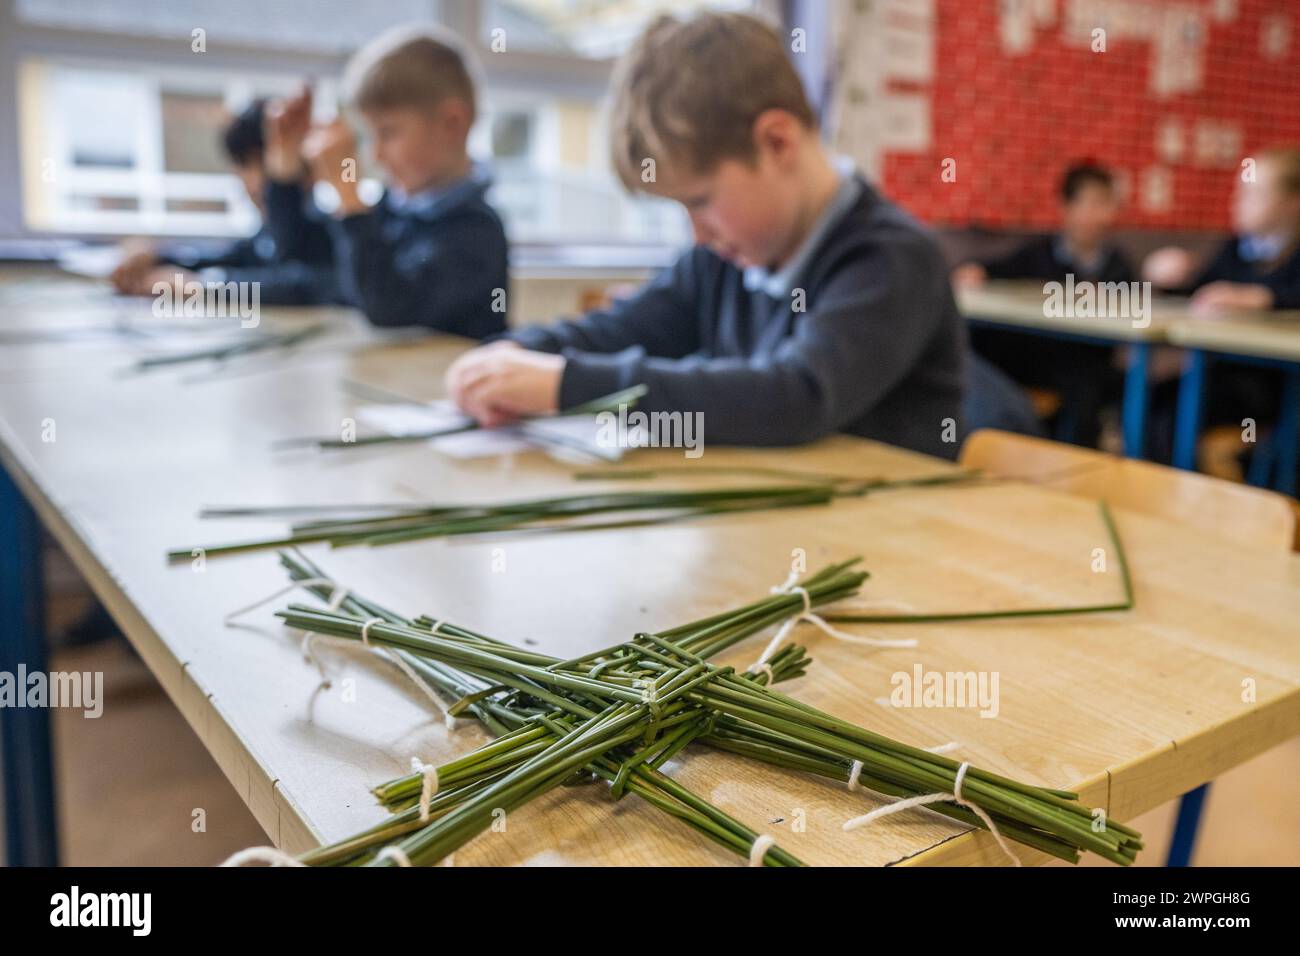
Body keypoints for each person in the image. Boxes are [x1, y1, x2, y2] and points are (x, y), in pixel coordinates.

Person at [445, 11, 964, 457]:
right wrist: (509, 356)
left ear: (777, 142)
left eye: (700, 201)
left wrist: (566, 385)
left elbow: (795, 398)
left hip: (890, 550)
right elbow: (618, 330)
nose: (696, 234)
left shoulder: (892, 259)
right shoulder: (720, 260)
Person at [262, 26, 508, 337]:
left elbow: (389, 306)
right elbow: (304, 258)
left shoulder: (476, 232)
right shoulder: (395, 211)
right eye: (371, 135)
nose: (376, 155)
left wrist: (349, 199)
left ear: (452, 124)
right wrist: (286, 169)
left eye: (388, 132)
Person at [953, 162, 1136, 447]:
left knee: (1094, 384)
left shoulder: (1118, 266)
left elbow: (1132, 306)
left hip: (1086, 363)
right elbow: (996, 270)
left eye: (1105, 204)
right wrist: (976, 271)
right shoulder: (1038, 254)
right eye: (1089, 204)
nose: (1097, 215)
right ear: (1066, 207)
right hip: (1036, 359)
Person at [110, 100, 337, 304]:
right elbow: (233, 257)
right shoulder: (266, 235)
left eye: (266, 165)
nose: (255, 181)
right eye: (244, 165)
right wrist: (159, 257)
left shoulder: (326, 232)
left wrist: (201, 287)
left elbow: (300, 284)